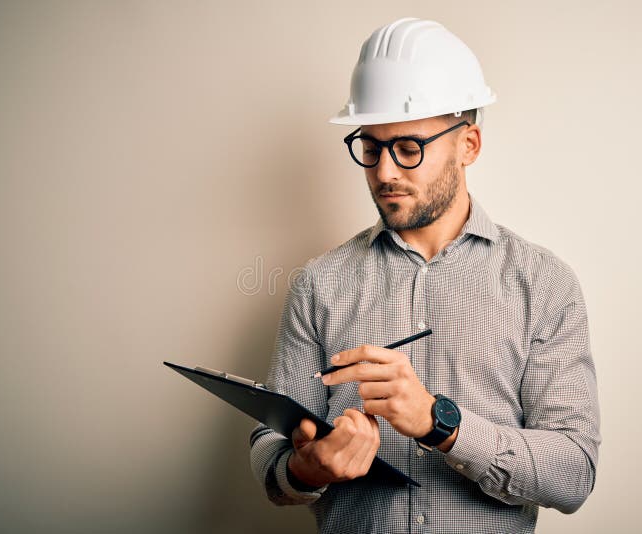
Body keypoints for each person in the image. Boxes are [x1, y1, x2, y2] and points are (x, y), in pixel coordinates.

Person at [249, 17, 600, 533]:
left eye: (409, 148)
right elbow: (269, 449)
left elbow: (573, 473)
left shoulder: (543, 284)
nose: (384, 172)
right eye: (370, 147)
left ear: (469, 145)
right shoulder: (319, 284)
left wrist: (441, 425)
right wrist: (304, 467)